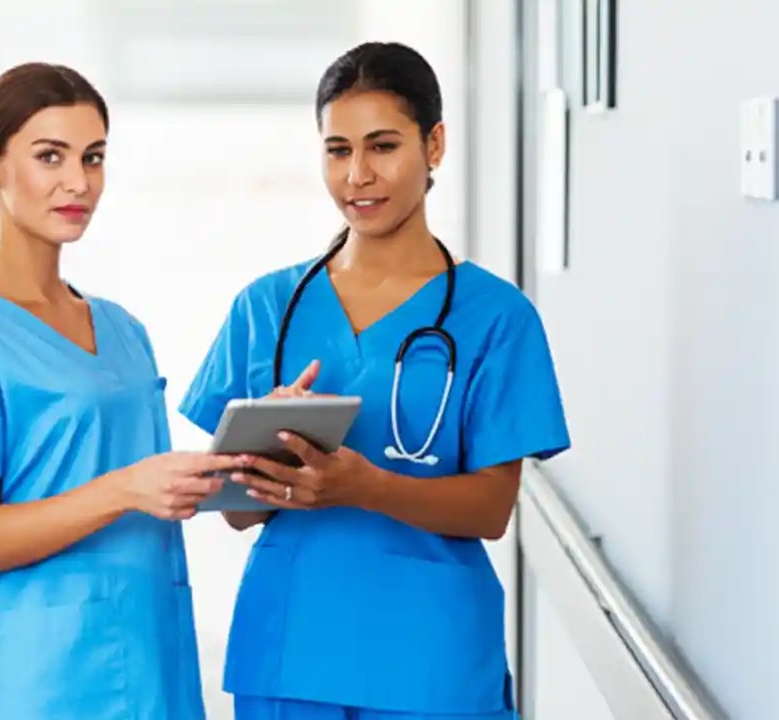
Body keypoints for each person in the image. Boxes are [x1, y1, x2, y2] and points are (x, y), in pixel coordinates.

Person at [179, 42, 571, 720]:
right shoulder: (268, 307)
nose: (358, 175)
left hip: (431, 665)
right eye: (337, 150)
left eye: (382, 146)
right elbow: (240, 513)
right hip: (290, 654)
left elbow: (491, 510)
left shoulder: (495, 318)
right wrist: (260, 449)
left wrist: (368, 487)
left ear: (435, 144)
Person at [0, 62, 234, 719]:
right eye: (49, 156)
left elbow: (144, 481)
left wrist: (249, 448)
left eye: (93, 157)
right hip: (38, 683)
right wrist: (127, 488)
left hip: (151, 665)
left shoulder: (122, 329)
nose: (77, 182)